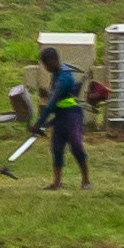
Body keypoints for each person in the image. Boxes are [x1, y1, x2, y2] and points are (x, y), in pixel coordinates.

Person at [44, 51, 91, 190]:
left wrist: (40, 123)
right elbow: (55, 101)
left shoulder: (64, 77)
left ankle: (86, 181)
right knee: (57, 148)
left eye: (46, 64)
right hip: (60, 117)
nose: (46, 68)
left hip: (72, 116)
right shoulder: (56, 75)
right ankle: (57, 182)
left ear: (53, 61)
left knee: (76, 146)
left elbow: (54, 101)